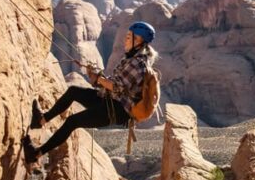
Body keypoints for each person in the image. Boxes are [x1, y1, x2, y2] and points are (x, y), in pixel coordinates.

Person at [23, 21, 157, 163]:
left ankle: (36, 154)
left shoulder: (138, 64)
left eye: (130, 37)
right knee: (74, 91)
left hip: (118, 110)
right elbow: (115, 84)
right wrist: (96, 77)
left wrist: (98, 78)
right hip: (111, 101)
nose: (126, 39)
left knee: (72, 121)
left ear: (139, 41)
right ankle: (41, 120)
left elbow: (116, 87)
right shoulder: (131, 58)